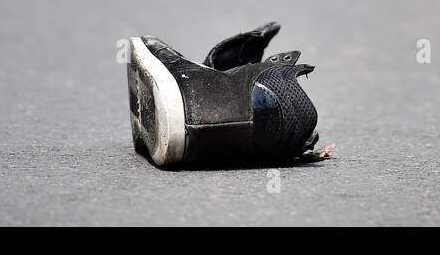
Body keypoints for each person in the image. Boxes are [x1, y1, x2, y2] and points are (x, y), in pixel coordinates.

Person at [127, 22, 325, 168]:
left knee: (271, 85)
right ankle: (260, 130)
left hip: (209, 95)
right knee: (272, 117)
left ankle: (201, 96)